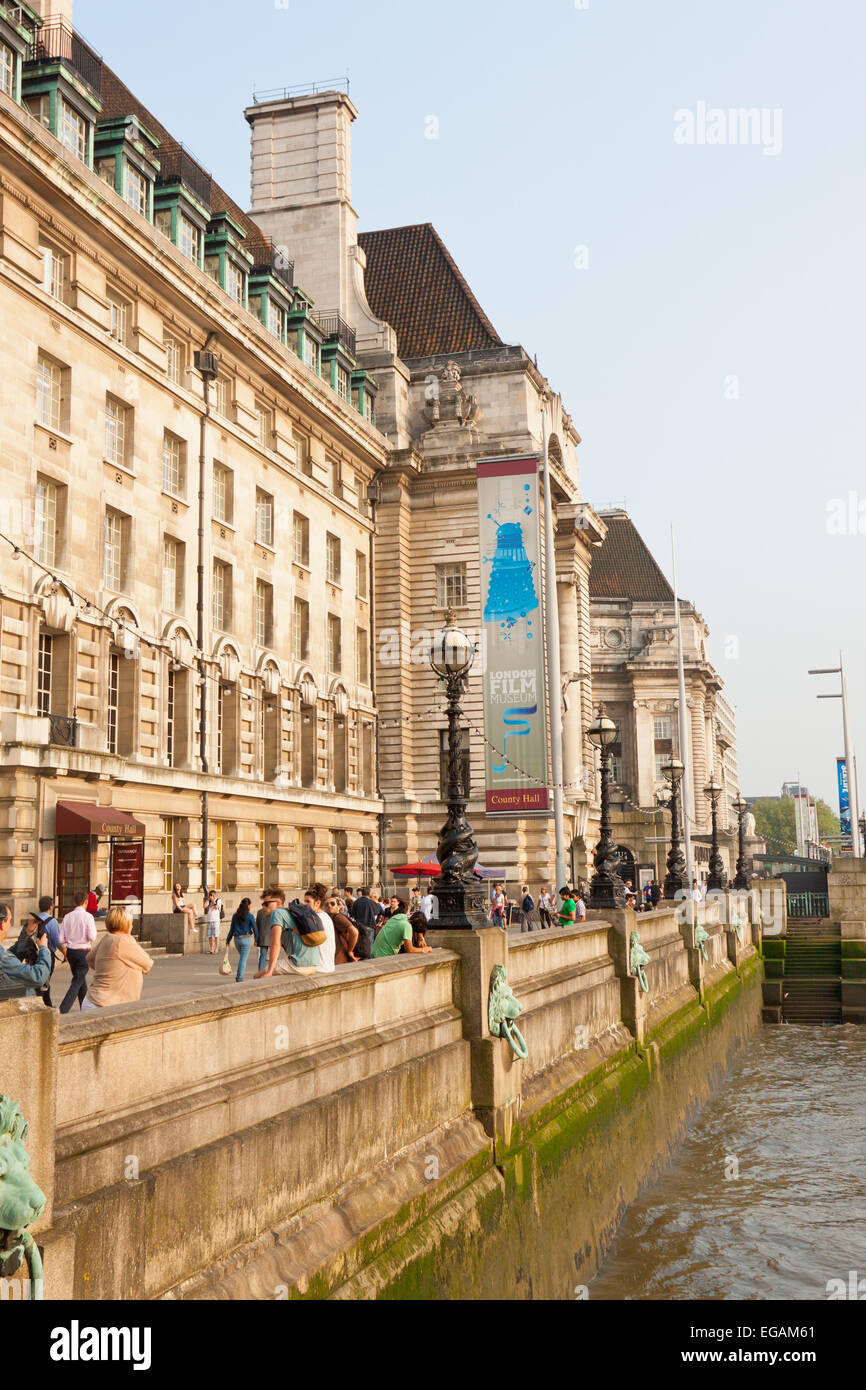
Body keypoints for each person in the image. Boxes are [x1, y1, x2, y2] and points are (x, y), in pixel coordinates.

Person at [82, 906, 153, 1008]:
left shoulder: (107, 938)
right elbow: (147, 963)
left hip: (93, 1000)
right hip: (106, 1004)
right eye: (131, 923)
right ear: (125, 924)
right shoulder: (123, 940)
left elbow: (90, 959)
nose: (132, 926)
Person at [255, 888, 320, 978]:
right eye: (263, 904)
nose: (263, 907)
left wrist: (270, 972)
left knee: (257, 977)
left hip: (299, 964)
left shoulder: (277, 913)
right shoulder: (289, 912)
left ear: (278, 903)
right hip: (314, 964)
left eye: (266, 904)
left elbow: (275, 944)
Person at [58, 888, 97, 1013]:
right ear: (86, 902)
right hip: (84, 951)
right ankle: (63, 1009)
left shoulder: (67, 916)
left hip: (71, 951)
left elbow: (60, 938)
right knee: (77, 981)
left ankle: (84, 1007)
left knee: (80, 979)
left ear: (74, 902)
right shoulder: (88, 917)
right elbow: (92, 936)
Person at [0, 902, 51, 996]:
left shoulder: (4, 957)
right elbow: (38, 976)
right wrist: (44, 949)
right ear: (3, 924)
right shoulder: (2, 957)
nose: (10, 925)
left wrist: (26, 933)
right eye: (10, 921)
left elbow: (11, 957)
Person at [226, 898, 256, 982]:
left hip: (237, 940)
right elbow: (255, 928)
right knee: (243, 958)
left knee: (242, 957)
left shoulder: (235, 916)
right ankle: (239, 977)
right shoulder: (250, 916)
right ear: (249, 905)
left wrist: (228, 940)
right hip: (246, 939)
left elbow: (231, 929)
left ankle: (239, 975)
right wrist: (256, 939)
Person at [350, 886, 381, 961]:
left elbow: (352, 915)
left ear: (362, 893)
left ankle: (361, 958)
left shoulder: (356, 902)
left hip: (359, 926)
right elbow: (377, 913)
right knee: (369, 945)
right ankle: (368, 960)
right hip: (370, 925)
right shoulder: (372, 902)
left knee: (360, 944)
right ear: (369, 893)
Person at [327, 894, 359, 964]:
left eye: (332, 904)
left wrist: (350, 950)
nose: (329, 905)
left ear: (339, 907)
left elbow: (354, 932)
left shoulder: (338, 917)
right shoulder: (332, 917)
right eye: (327, 904)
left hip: (340, 958)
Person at [254, 895, 273, 972]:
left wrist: (256, 938)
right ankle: (271, 970)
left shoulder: (259, 912)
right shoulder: (273, 912)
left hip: (262, 937)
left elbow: (257, 925)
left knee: (263, 955)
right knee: (272, 955)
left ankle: (261, 970)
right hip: (272, 936)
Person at [204, 889, 223, 956]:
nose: (212, 896)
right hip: (209, 920)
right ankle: (211, 949)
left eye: (213, 895)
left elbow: (217, 907)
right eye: (210, 895)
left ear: (215, 895)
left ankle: (216, 949)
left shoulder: (218, 900)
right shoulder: (209, 901)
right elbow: (204, 906)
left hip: (216, 920)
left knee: (216, 935)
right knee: (209, 935)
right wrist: (208, 899)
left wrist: (213, 900)